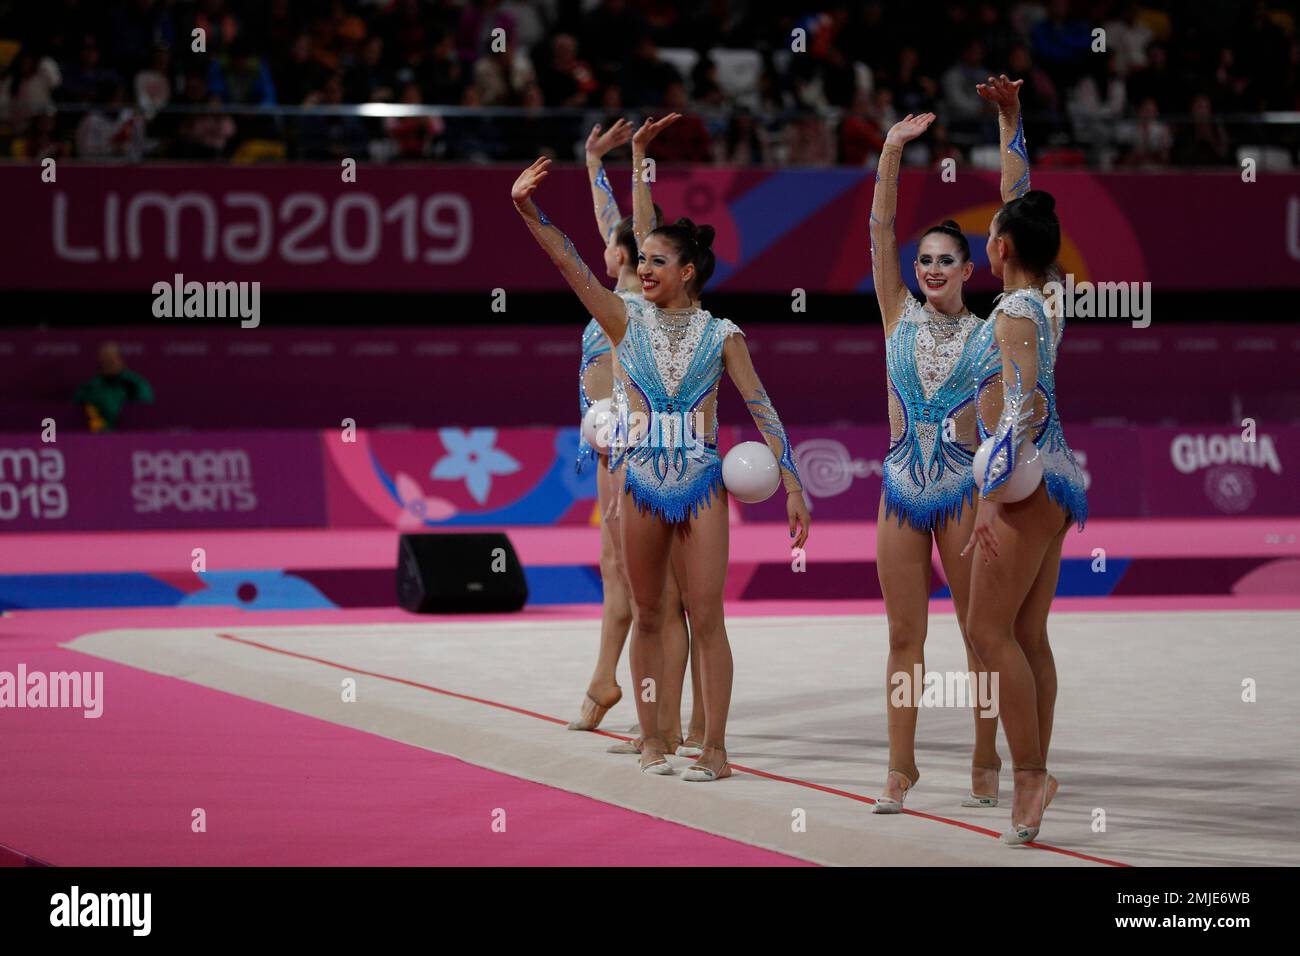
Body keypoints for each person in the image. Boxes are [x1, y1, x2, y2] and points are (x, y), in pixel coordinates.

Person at [512, 151, 810, 781]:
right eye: (638, 258)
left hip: (702, 482)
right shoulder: (624, 321)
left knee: (707, 618)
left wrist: (792, 482)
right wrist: (527, 208)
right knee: (649, 615)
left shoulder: (722, 333)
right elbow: (568, 261)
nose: (639, 268)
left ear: (689, 270)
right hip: (642, 480)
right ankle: (653, 738)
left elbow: (761, 404)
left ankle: (716, 748)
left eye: (654, 261)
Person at [866, 108, 1014, 814]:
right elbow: (879, 229)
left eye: (943, 260)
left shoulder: (988, 337)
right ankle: (901, 766)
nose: (928, 268)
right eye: (923, 259)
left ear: (969, 269)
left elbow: (997, 431)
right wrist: (891, 150)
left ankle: (987, 754)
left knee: (978, 635)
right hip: (899, 487)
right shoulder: (895, 310)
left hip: (961, 490)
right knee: (903, 635)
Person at [961, 74, 1089, 846]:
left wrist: (985, 495)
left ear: (999, 248)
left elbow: (1022, 409)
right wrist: (1012, 117)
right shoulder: (1048, 292)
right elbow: (1023, 204)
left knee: (986, 632)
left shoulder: (1010, 310)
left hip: (1020, 481)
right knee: (1028, 634)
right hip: (1059, 476)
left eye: (994, 232)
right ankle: (1038, 770)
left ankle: (1032, 775)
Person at [567, 118, 703, 762]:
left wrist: (641, 156)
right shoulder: (617, 293)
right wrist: (595, 160)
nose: (617, 246)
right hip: (609, 450)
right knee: (617, 572)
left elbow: (634, 219)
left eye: (631, 248)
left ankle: (662, 716)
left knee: (658, 590)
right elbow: (611, 216)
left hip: (643, 446)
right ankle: (607, 683)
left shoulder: (636, 302)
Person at [74, 342, 154, 432]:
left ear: (121, 361)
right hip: (97, 436)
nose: (107, 365)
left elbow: (146, 411)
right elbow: (76, 414)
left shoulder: (136, 384)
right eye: (104, 362)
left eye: (111, 361)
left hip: (131, 434)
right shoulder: (89, 388)